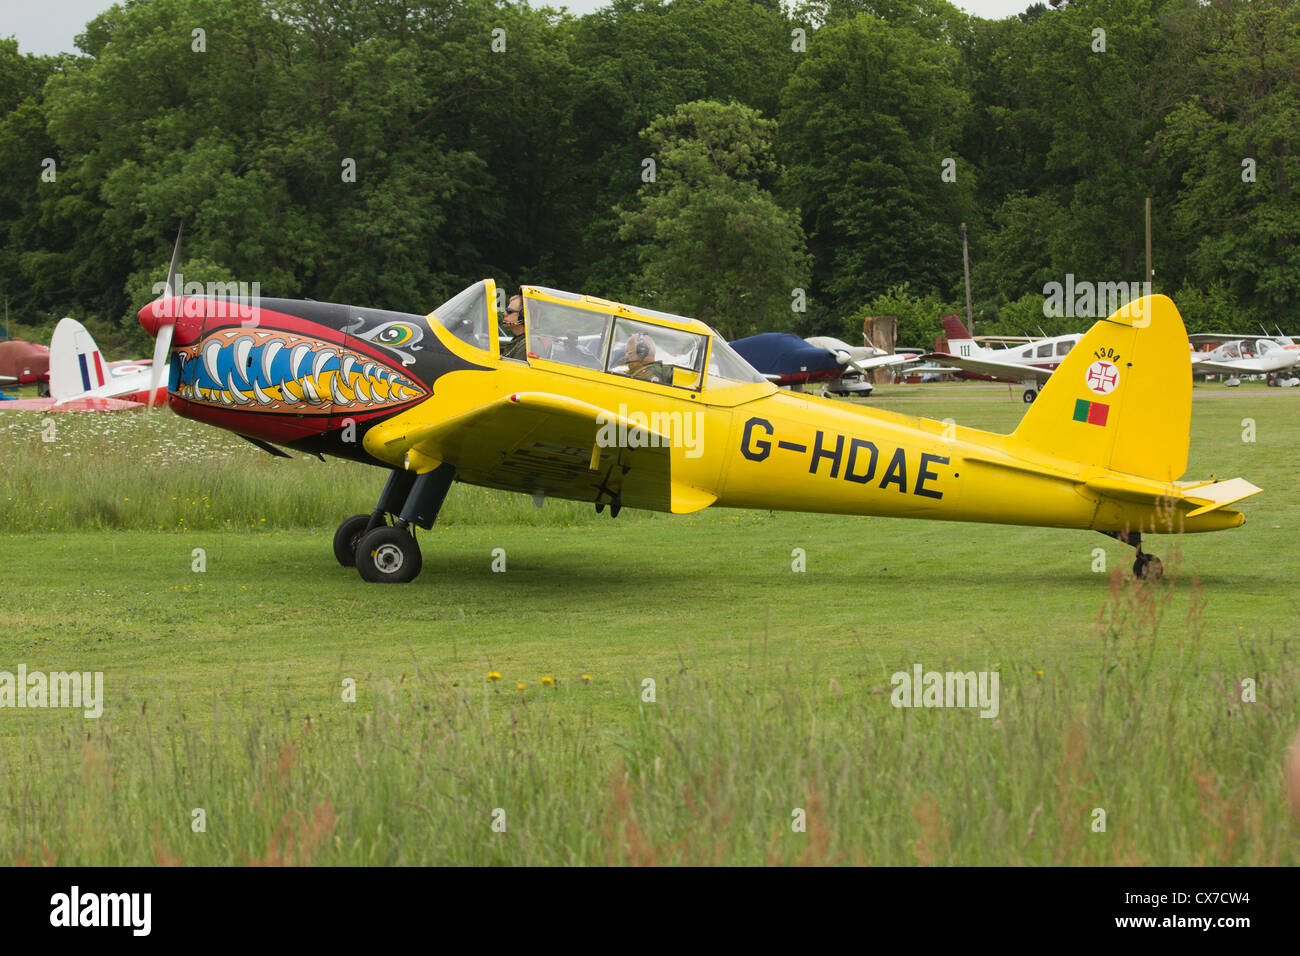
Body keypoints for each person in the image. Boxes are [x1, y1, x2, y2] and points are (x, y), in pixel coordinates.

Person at [500, 295, 527, 361]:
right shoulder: (518, 341)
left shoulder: (527, 346)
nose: (504, 313)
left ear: (523, 315)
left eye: (509, 311)